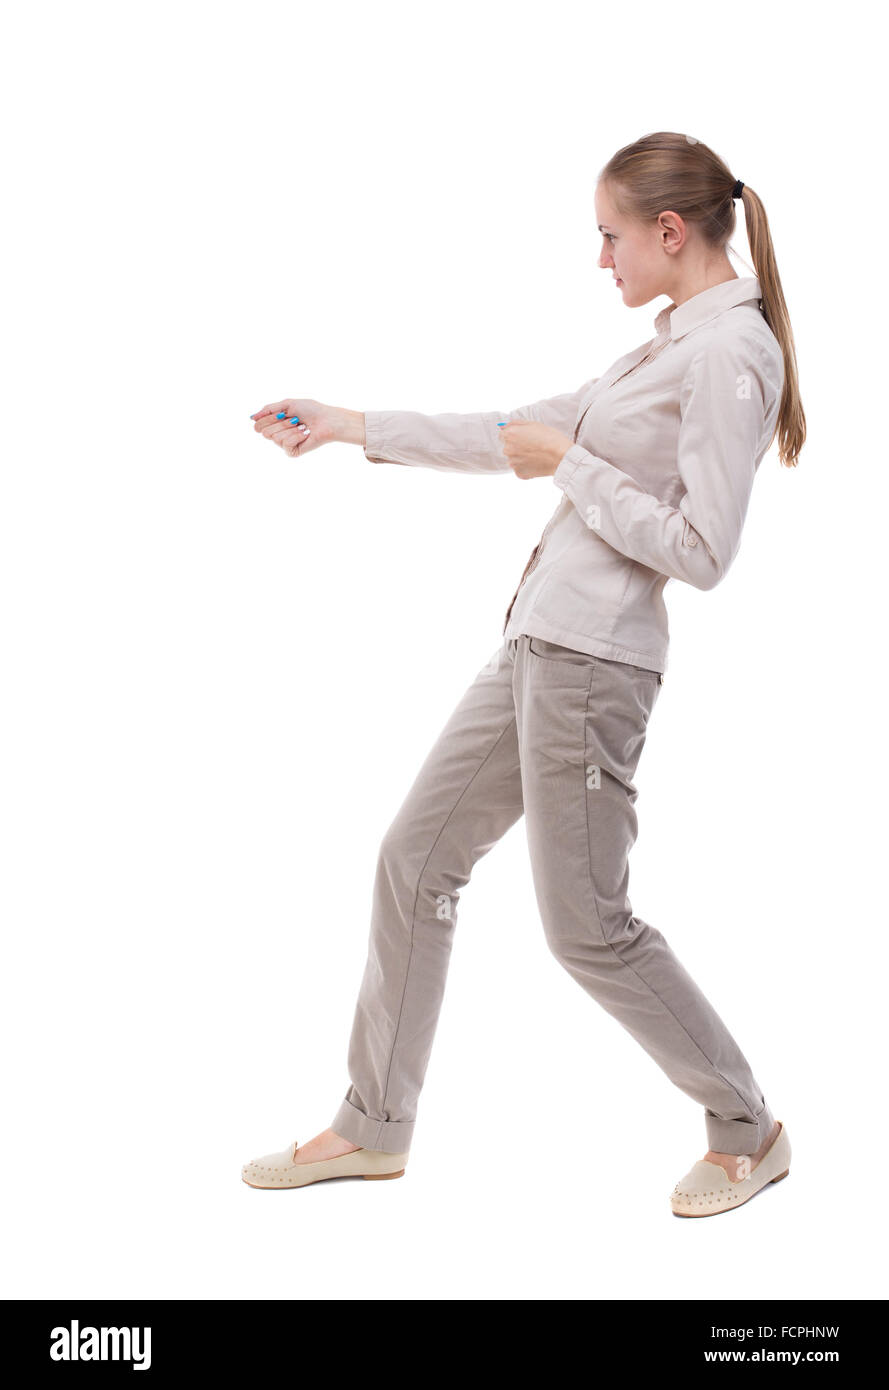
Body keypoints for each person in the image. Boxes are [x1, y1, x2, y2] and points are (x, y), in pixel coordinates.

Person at [241, 131, 806, 1217]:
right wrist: (349, 426)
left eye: (609, 236)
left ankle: (747, 1127)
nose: (601, 259)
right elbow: (514, 432)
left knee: (587, 926)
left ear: (669, 232)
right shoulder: (662, 347)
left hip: (596, 667)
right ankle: (372, 1126)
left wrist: (575, 466)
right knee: (415, 858)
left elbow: (703, 553)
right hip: (536, 649)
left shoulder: (730, 355)